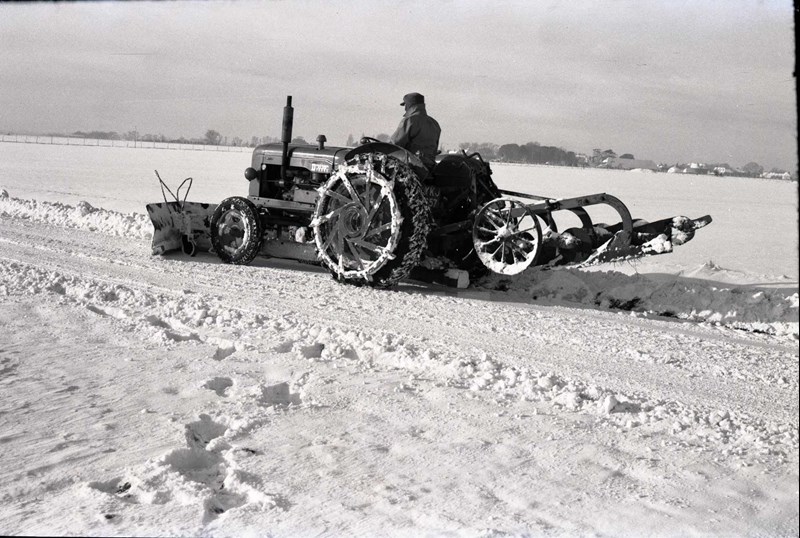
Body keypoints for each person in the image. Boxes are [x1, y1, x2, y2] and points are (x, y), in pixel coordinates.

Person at [389, 92, 441, 170]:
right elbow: (434, 149)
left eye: (405, 105)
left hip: (413, 165)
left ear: (409, 105)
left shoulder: (409, 120)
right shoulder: (434, 123)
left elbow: (394, 144)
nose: (405, 108)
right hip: (429, 166)